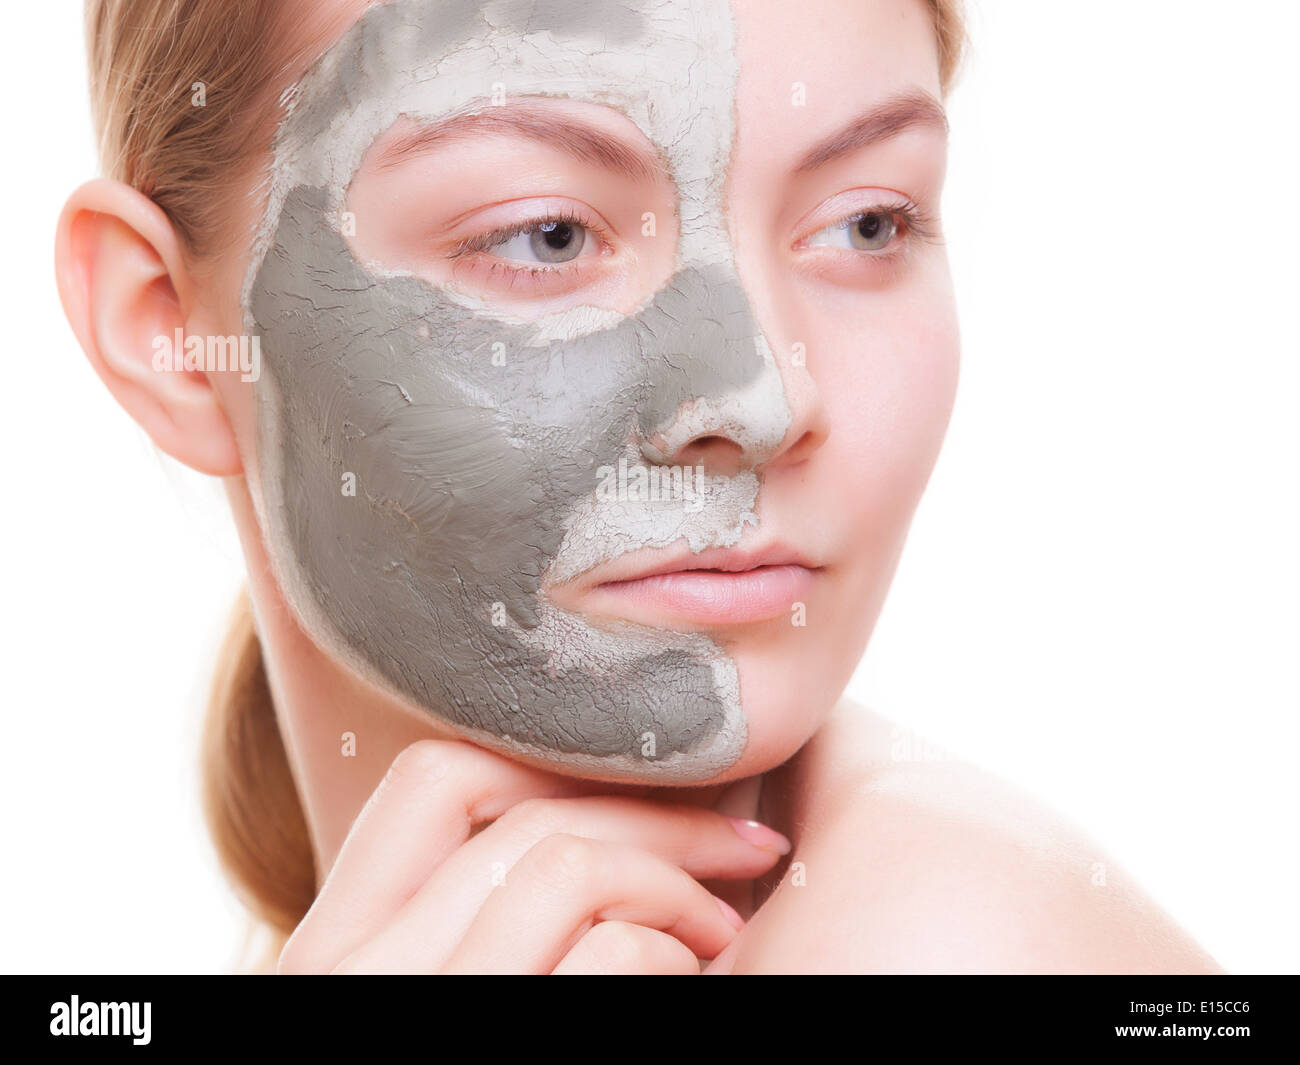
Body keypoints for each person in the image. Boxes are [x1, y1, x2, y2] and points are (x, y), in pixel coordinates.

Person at [55, 0, 1221, 974]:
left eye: (867, 222)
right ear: (165, 330)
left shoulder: (944, 938)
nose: (766, 397)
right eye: (548, 236)